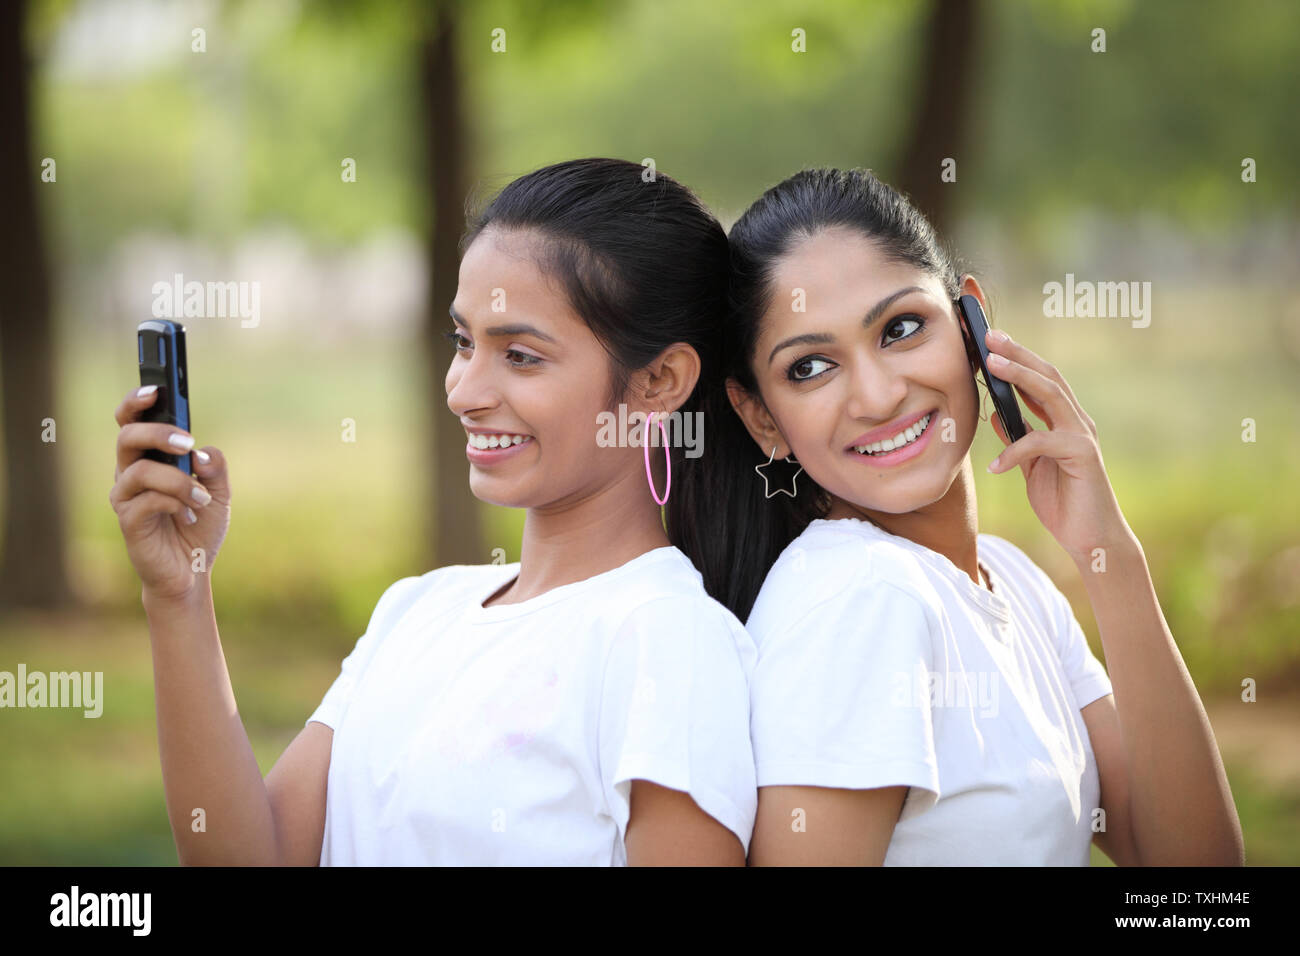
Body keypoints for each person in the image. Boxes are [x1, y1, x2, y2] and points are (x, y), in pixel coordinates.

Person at [110, 157, 757, 866]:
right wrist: (179, 593)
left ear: (660, 380)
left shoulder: (668, 642)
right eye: (463, 342)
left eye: (520, 355)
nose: (463, 391)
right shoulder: (415, 610)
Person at [672, 166, 1243, 866]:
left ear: (973, 326)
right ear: (761, 417)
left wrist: (1110, 555)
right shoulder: (862, 597)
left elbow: (1196, 882)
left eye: (901, 328)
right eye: (811, 367)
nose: (878, 396)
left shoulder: (1013, 582)